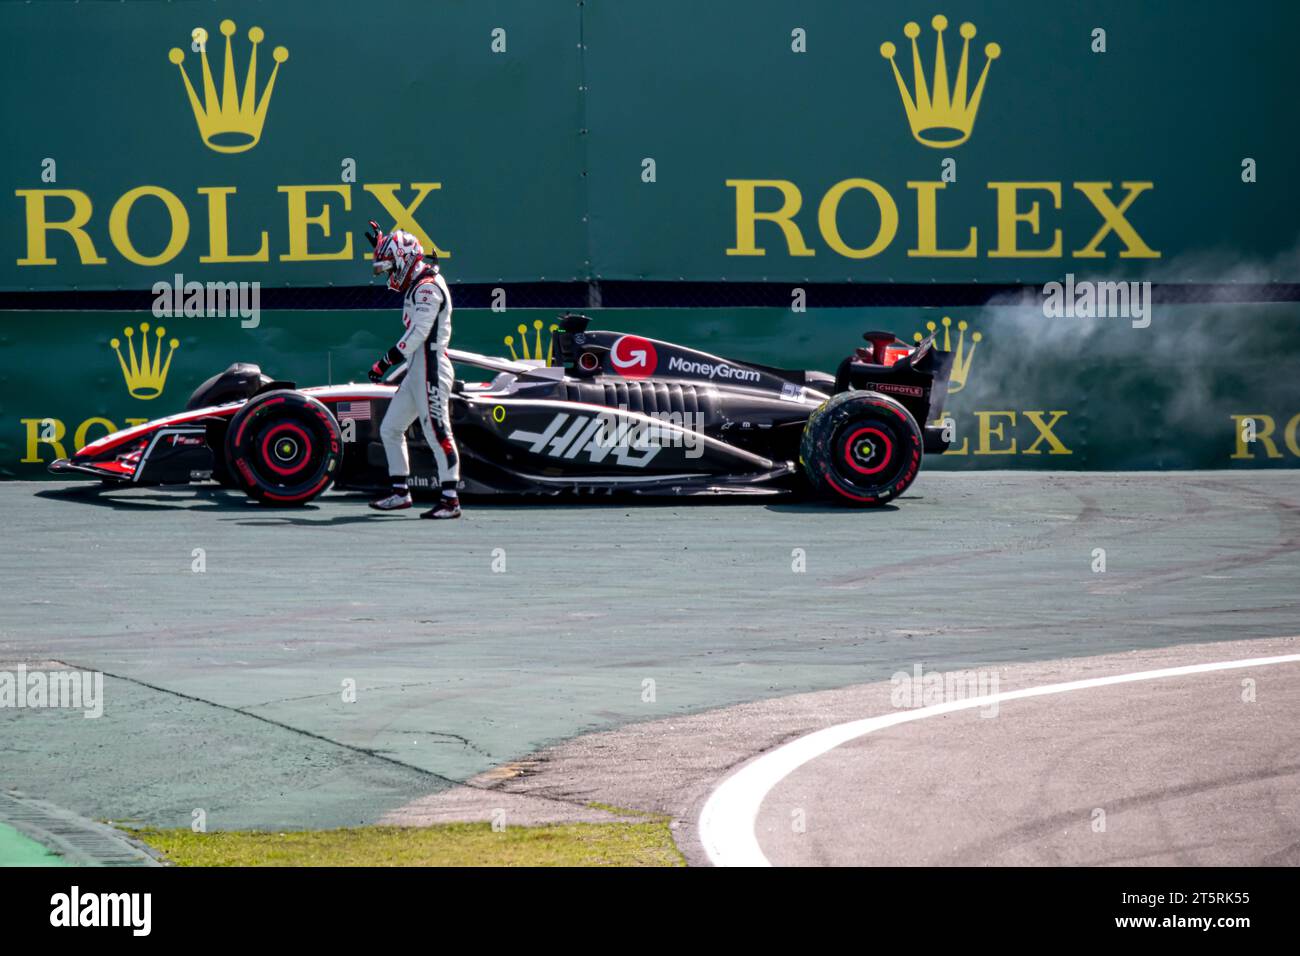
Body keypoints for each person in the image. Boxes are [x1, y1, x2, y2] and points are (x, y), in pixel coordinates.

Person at [364, 220, 461, 519]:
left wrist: (385, 361)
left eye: (391, 265)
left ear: (405, 259)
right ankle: (400, 493)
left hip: (430, 367)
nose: (390, 273)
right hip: (418, 368)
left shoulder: (427, 288)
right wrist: (384, 246)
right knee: (391, 428)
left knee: (437, 432)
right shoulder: (419, 283)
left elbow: (419, 333)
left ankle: (450, 500)